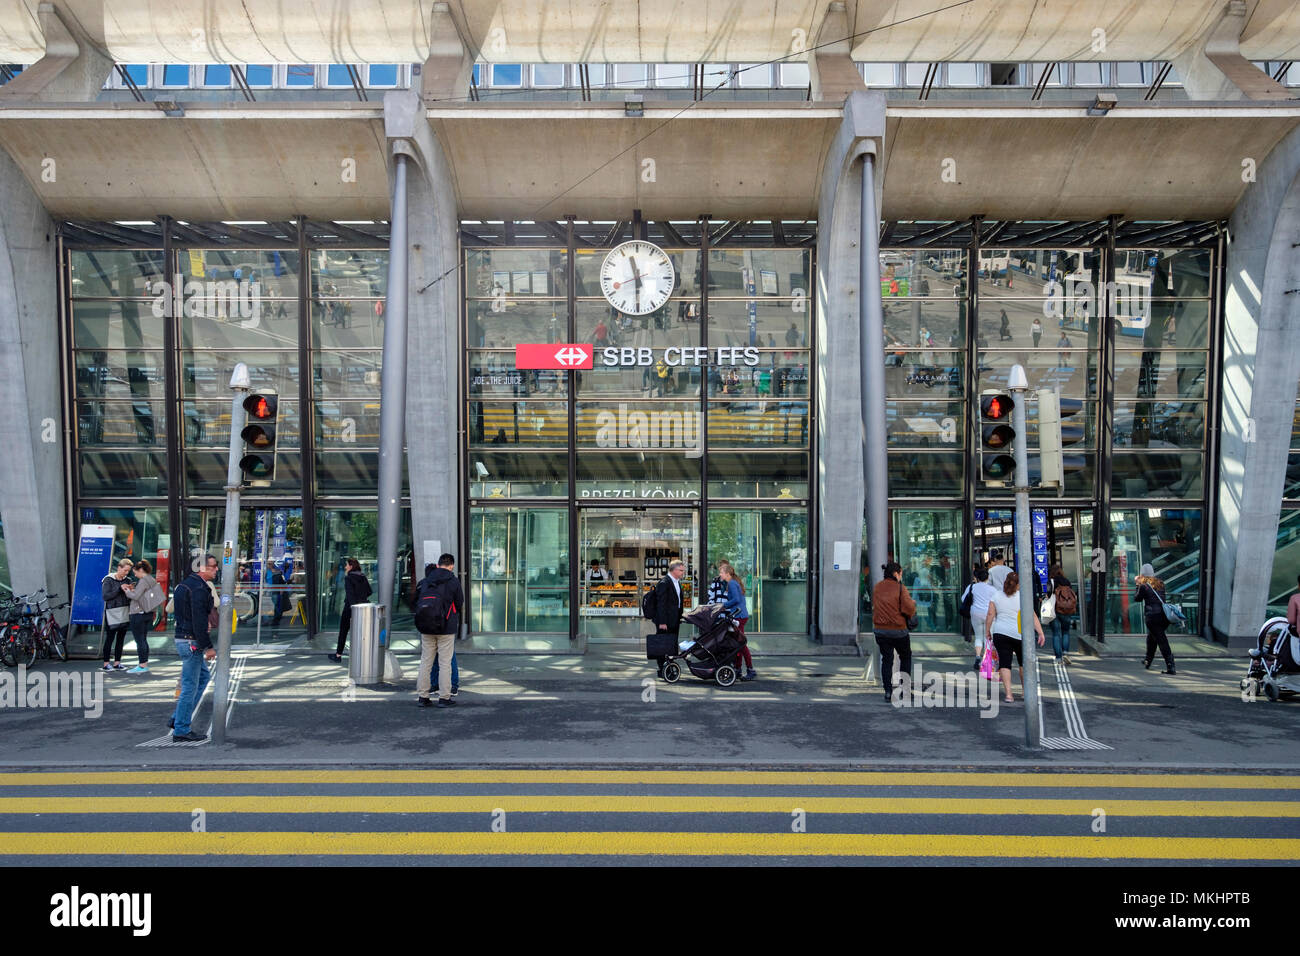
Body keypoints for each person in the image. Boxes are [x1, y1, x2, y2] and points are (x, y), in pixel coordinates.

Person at [170, 555, 219, 742]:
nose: (216, 570)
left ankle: (177, 719)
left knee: (202, 678)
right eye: (213, 567)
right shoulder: (199, 588)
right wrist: (208, 647)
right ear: (203, 568)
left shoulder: (184, 585)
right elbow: (199, 620)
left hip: (183, 638)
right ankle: (181, 729)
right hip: (191, 641)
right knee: (190, 686)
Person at [985, 571, 1046, 704]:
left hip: (1000, 633)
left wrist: (987, 631)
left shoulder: (996, 595)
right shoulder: (1023, 597)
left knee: (1005, 663)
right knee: (1023, 663)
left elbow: (990, 614)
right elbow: (1033, 616)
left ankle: (1009, 695)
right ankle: (1025, 692)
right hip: (1020, 634)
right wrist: (1040, 632)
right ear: (1018, 584)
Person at [415, 554, 465, 708]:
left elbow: (416, 601)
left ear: (438, 565)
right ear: (451, 566)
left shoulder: (426, 581)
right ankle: (444, 697)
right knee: (445, 663)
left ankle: (423, 696)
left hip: (426, 626)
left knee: (426, 661)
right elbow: (459, 602)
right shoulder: (453, 581)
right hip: (446, 628)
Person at [871, 561, 916, 702]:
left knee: (887, 660)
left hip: (880, 631)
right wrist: (912, 604)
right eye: (901, 573)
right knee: (906, 657)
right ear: (896, 573)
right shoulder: (900, 588)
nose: (901, 576)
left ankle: (888, 692)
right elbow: (908, 608)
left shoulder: (877, 587)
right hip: (898, 630)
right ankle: (905, 690)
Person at [328, 558, 371, 663]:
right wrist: (361, 598)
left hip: (350, 608)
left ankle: (338, 655)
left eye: (347, 565)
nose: (345, 567)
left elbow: (350, 595)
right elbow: (369, 591)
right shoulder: (362, 576)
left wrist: (353, 608)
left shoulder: (349, 578)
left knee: (343, 631)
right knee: (362, 633)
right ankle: (362, 655)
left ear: (351, 566)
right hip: (363, 607)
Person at [1136, 563, 1175, 674]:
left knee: (1161, 641)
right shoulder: (1160, 583)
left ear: (1142, 574)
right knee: (1152, 639)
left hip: (1152, 617)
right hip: (1163, 617)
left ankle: (1170, 665)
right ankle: (1148, 660)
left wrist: (1137, 584)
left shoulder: (1144, 586)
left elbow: (1137, 598)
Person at [718, 561, 754, 681]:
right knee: (737, 643)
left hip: (739, 616)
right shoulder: (733, 582)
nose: (720, 575)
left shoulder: (732, 583)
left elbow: (736, 599)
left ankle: (750, 669)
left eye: (721, 572)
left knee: (741, 644)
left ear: (727, 573)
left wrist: (723, 605)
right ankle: (738, 669)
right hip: (740, 615)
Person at [126, 559, 164, 673]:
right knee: (143, 639)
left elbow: (136, 596)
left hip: (138, 613)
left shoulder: (143, 581)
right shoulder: (151, 579)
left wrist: (127, 591)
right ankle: (144, 663)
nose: (135, 574)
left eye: (135, 572)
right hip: (148, 613)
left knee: (139, 640)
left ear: (141, 570)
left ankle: (142, 665)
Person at [650, 559, 686, 677]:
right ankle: (662, 669)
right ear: (674, 570)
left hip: (674, 620)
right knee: (662, 645)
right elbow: (661, 604)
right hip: (665, 621)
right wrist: (662, 622)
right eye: (681, 570)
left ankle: (669, 667)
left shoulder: (676, 581)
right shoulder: (665, 582)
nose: (683, 572)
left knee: (671, 645)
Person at [100, 559, 135, 672]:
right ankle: (106, 664)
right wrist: (120, 589)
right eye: (125, 570)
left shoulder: (128, 580)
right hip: (112, 612)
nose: (126, 573)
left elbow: (130, 597)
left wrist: (130, 591)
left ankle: (117, 663)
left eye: (128, 571)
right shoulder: (108, 579)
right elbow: (106, 596)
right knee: (110, 638)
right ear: (119, 568)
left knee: (121, 639)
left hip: (124, 610)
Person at [965, 566, 997, 671]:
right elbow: (997, 602)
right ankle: (986, 660)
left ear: (977, 577)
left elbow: (963, 599)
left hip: (975, 613)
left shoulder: (972, 587)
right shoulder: (992, 589)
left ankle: (978, 657)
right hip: (989, 614)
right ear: (987, 577)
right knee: (988, 637)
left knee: (978, 636)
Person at [1050, 564, 1079, 665]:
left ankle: (1058, 658)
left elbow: (1048, 595)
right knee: (1066, 632)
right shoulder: (1067, 582)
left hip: (1055, 610)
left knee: (1056, 633)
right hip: (1067, 610)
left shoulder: (1052, 581)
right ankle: (1065, 653)